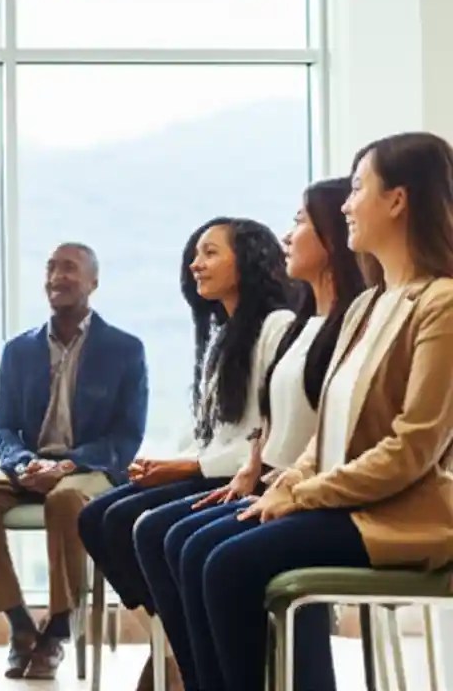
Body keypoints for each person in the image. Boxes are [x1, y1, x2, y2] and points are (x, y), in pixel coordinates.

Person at [192, 132, 453, 691]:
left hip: (398, 514)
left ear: (398, 201)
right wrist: (291, 481)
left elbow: (413, 448)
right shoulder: (368, 303)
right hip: (342, 500)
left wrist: (304, 493)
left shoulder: (442, 304)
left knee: (226, 563)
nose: (345, 204)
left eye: (358, 188)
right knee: (197, 548)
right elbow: (329, 429)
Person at [131, 180, 371, 691]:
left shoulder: (342, 321)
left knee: (200, 551)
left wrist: (286, 484)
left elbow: (347, 434)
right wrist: (255, 469)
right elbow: (276, 422)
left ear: (330, 239)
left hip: (321, 494)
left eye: (302, 221)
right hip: (280, 481)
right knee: (166, 535)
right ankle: (195, 672)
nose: (288, 235)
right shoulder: (307, 321)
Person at [77, 217, 296, 690]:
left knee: (134, 523)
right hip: (216, 465)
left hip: (242, 474)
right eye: (195, 254)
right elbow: (212, 432)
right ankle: (177, 641)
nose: (196, 264)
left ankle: (182, 654)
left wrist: (187, 466)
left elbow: (265, 434)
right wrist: (169, 462)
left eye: (211, 252)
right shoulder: (224, 335)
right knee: (96, 517)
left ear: (250, 258)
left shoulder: (278, 326)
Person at [0, 243, 148, 680]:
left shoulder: (124, 349)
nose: (57, 277)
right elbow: (2, 428)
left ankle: (59, 626)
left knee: (66, 501)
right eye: (51, 268)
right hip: (28, 465)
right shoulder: (17, 351)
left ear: (93, 283)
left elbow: (126, 436)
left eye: (70, 269)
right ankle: (20, 625)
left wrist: (68, 466)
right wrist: (23, 464)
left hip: (89, 469)